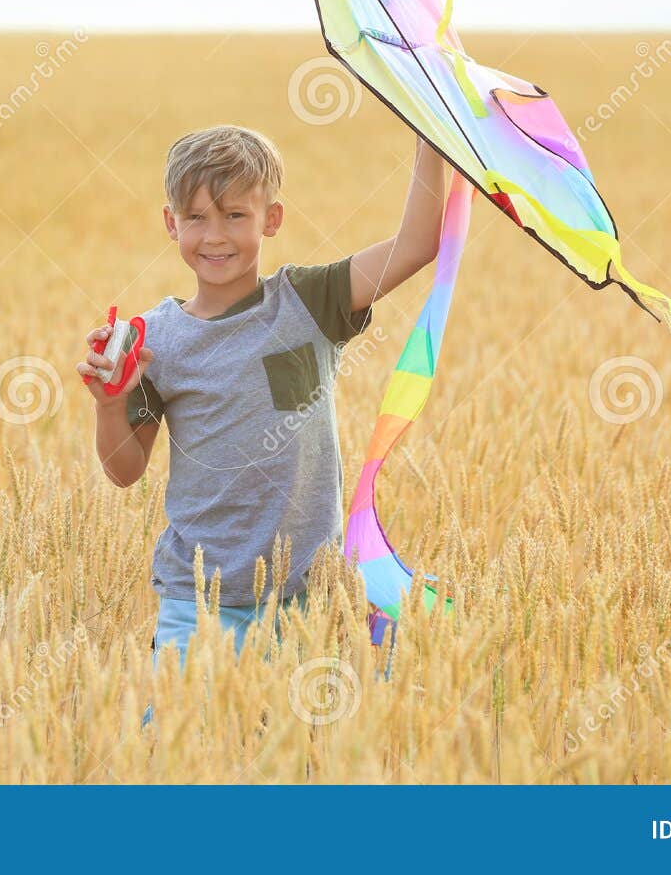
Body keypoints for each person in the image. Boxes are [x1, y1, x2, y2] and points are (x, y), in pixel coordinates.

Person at [74, 124, 451, 724]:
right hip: (198, 601)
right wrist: (107, 403)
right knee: (178, 754)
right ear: (170, 224)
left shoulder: (310, 301)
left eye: (234, 215)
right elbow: (125, 470)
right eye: (195, 218)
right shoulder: (155, 341)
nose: (215, 236)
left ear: (271, 219)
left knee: (302, 755)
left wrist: (431, 142)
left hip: (311, 598)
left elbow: (416, 245)